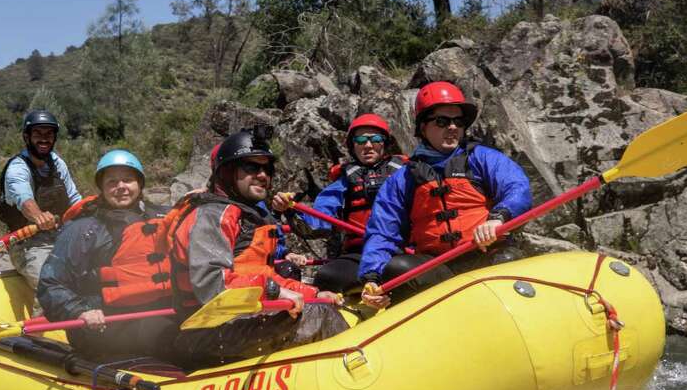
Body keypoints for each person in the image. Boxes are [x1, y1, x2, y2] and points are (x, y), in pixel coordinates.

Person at [164, 125, 348, 371]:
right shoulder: (211, 216)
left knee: (322, 305)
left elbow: (266, 276)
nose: (263, 175)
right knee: (319, 316)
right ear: (228, 172)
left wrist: (312, 294)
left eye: (267, 168)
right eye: (251, 167)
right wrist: (275, 292)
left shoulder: (245, 216)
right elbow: (213, 286)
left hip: (237, 322)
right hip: (206, 333)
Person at [358, 81, 532, 310]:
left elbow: (517, 188)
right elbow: (383, 232)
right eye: (442, 121)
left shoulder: (481, 158)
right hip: (438, 269)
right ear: (422, 127)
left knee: (507, 260)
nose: (452, 127)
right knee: (396, 269)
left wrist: (498, 217)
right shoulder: (403, 179)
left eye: (458, 122)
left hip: (485, 255)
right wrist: (372, 278)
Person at [36, 150, 178, 362]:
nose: (121, 187)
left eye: (128, 180)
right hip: (104, 324)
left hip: (157, 312)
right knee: (174, 336)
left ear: (139, 184)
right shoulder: (83, 229)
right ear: (102, 188)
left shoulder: (163, 217)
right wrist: (80, 312)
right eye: (112, 182)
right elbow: (50, 284)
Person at [270, 113, 411, 293]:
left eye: (375, 139)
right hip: (359, 254)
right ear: (353, 146)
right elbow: (315, 226)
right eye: (360, 140)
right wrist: (289, 210)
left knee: (398, 267)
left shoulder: (408, 173)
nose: (368, 145)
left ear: (385, 143)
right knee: (325, 276)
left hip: (402, 248)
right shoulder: (343, 183)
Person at [0, 109, 82, 290]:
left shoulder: (57, 163)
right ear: (27, 137)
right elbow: (25, 200)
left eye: (49, 134)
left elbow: (74, 198)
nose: (44, 139)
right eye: (38, 134)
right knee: (48, 284)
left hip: (61, 236)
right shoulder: (17, 169)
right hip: (28, 244)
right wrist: (39, 217)